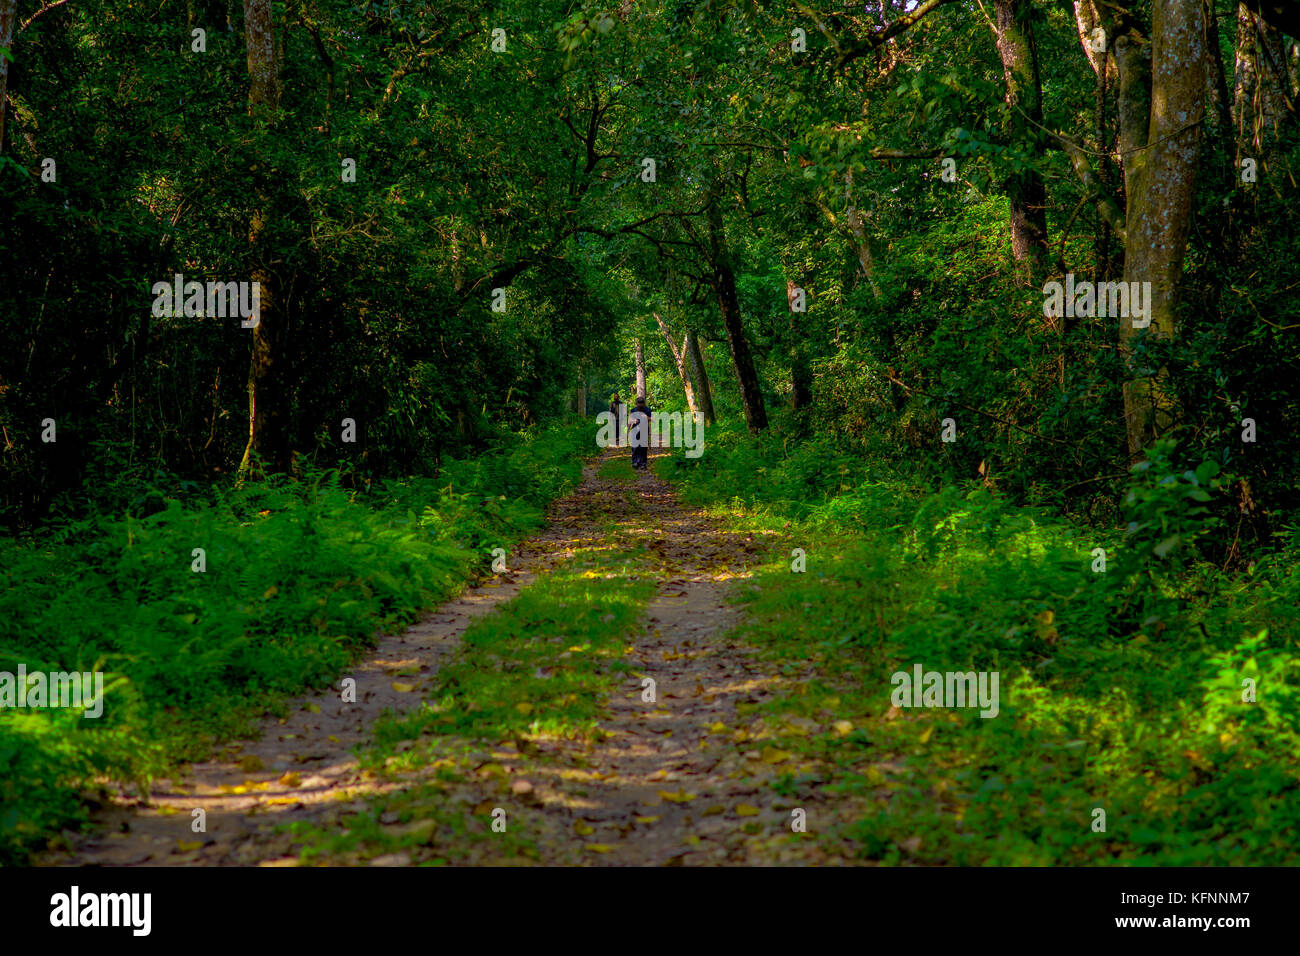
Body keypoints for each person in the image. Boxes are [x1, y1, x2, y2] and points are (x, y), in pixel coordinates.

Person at [629, 395, 651, 469]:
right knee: (635, 447)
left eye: (642, 403)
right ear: (636, 403)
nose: (640, 404)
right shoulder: (633, 410)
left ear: (644, 403)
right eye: (639, 403)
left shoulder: (647, 410)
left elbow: (651, 419)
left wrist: (646, 417)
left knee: (643, 448)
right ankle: (635, 462)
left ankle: (643, 463)